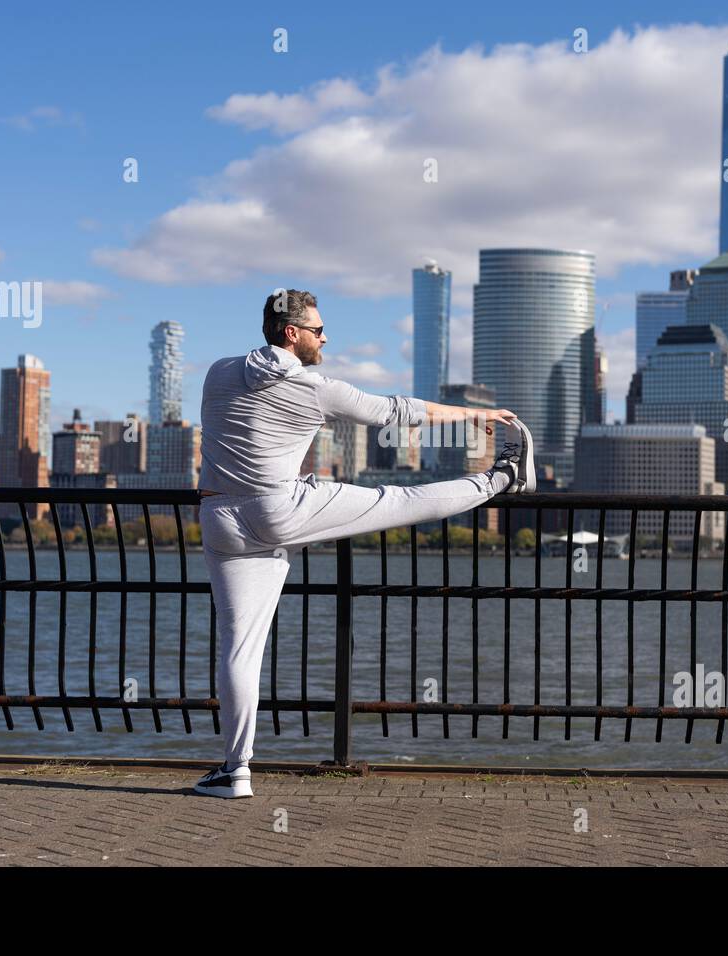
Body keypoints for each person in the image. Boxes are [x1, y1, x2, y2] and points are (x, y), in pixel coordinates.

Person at [193, 289, 535, 798]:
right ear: (292, 334)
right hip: (280, 510)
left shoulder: (217, 371)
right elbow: (397, 412)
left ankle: (234, 770)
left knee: (239, 650)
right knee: (396, 500)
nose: (325, 337)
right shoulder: (314, 388)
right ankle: (503, 478)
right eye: (318, 329)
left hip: (219, 516)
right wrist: (477, 415)